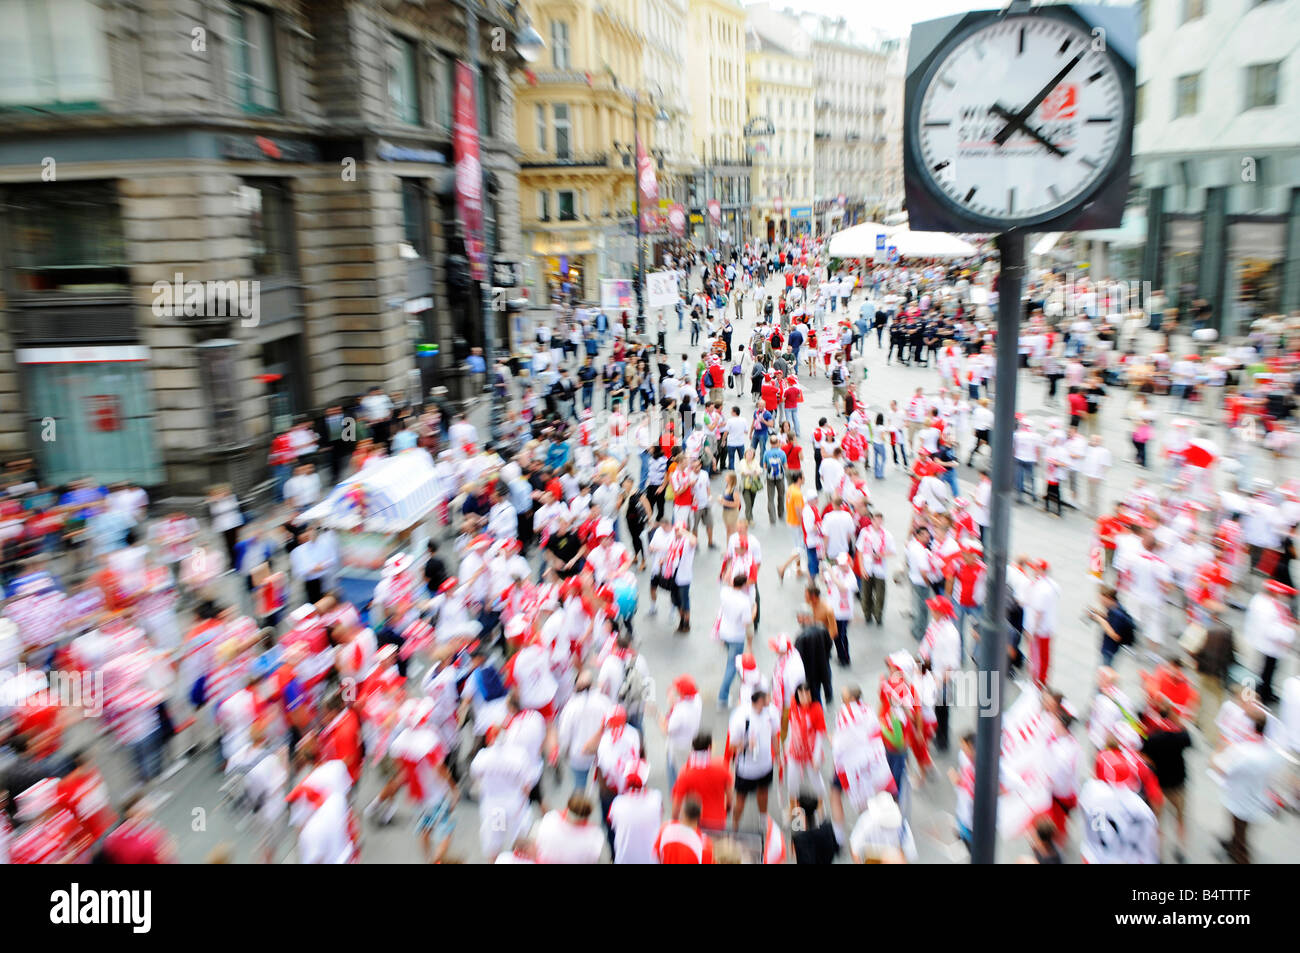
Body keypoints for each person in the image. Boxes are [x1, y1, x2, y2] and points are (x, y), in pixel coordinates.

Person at [1211, 708, 1284, 864]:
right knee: (1240, 833)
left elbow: (1219, 768)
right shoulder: (1272, 751)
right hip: (1257, 800)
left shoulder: (1244, 751)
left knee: (1241, 841)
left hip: (1240, 802)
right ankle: (1230, 847)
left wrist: (1219, 749)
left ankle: (1238, 856)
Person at [727, 685, 780, 830]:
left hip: (765, 765)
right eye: (767, 698)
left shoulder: (772, 713)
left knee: (763, 794)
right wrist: (746, 744)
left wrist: (778, 756)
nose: (770, 700)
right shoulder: (740, 717)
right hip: (746, 769)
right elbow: (732, 745)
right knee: (741, 799)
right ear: (760, 701)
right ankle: (735, 826)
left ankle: (763, 820)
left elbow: (775, 735)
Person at [607, 760, 663, 864]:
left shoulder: (617, 803)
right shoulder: (656, 798)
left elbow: (611, 823)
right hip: (651, 859)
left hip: (625, 859)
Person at [536, 793, 606, 864]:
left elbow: (538, 844)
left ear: (567, 808)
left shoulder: (550, 818)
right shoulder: (595, 836)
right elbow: (592, 860)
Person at [655, 796, 715, 863]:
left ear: (682, 813)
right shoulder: (705, 844)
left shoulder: (665, 829)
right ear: (700, 816)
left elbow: (657, 855)